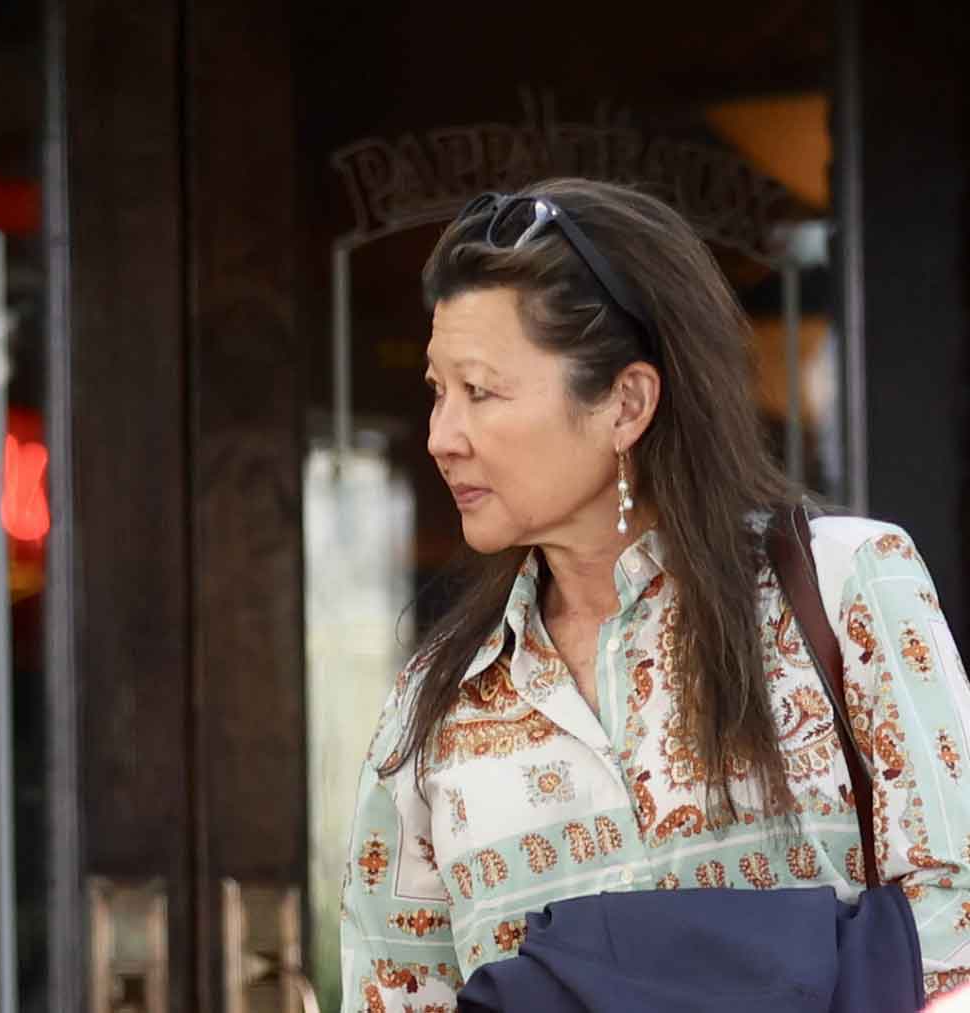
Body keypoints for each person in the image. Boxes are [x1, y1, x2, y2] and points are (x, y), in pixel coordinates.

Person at [339, 178, 970, 1010]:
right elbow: (397, 990)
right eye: (436, 390)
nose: (440, 435)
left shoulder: (846, 587)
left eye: (481, 391)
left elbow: (954, 923)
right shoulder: (435, 709)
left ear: (626, 403)